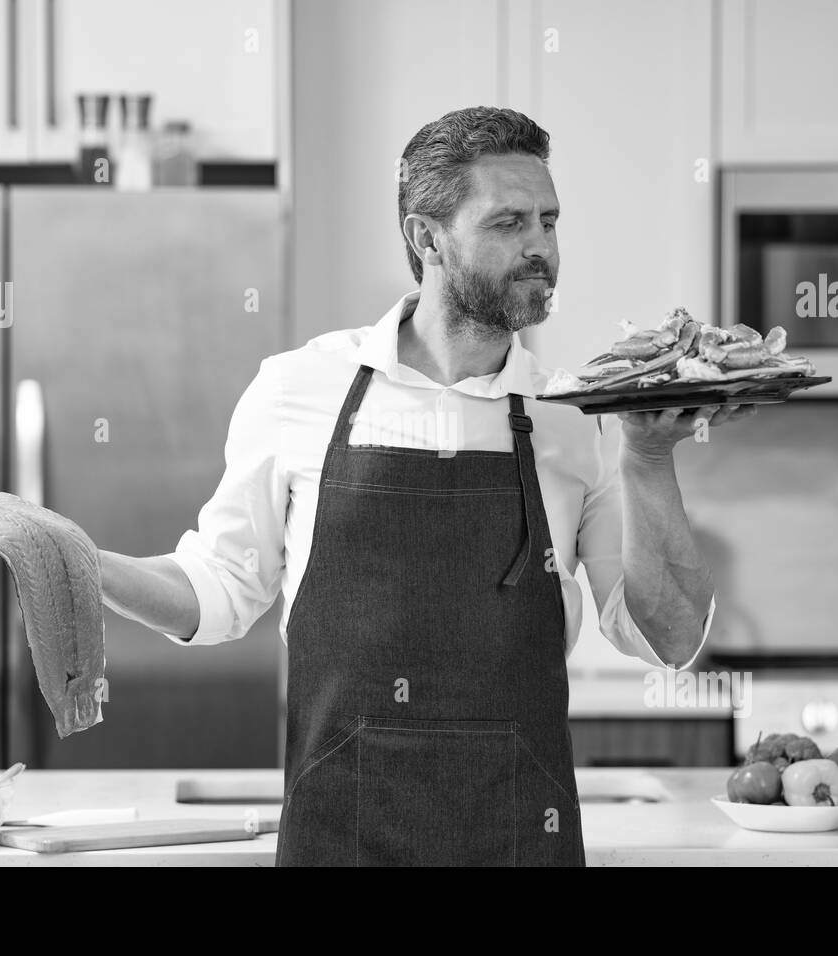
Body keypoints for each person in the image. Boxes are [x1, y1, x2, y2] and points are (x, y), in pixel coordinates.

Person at [100, 106, 755, 866]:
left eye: (549, 221)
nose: (541, 248)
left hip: (519, 841)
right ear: (426, 238)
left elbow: (670, 636)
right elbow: (216, 592)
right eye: (509, 223)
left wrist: (648, 460)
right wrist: (75, 561)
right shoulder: (298, 390)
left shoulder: (575, 416)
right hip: (340, 839)